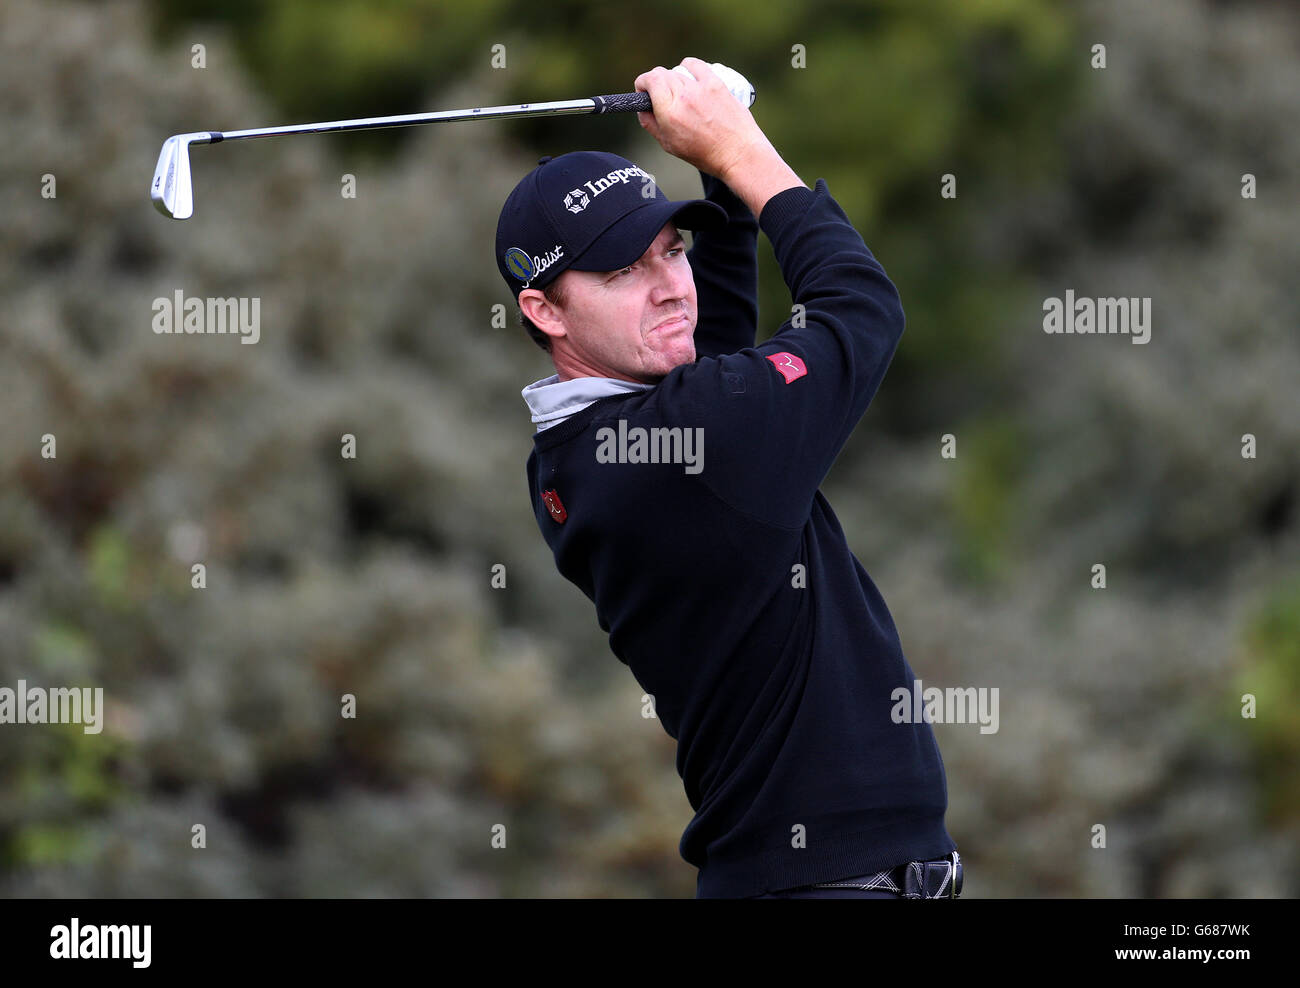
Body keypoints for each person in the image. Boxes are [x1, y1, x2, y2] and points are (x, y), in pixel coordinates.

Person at [494, 57, 962, 899]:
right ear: (545, 312)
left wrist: (709, 163)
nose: (670, 288)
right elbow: (863, 309)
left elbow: (708, 356)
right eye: (620, 273)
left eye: (672, 251)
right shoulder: (686, 443)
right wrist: (743, 150)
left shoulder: (577, 451)